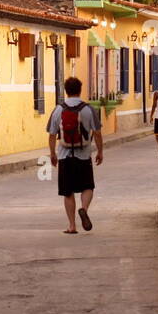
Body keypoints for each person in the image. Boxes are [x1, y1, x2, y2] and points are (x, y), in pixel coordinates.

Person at [46, 77, 103, 234]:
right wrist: (100, 151)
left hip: (65, 157)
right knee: (88, 186)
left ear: (66, 90)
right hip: (84, 156)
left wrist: (52, 153)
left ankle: (72, 225)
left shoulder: (58, 109)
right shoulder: (88, 109)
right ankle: (83, 208)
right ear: (80, 89)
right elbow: (97, 132)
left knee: (68, 191)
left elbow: (51, 135)